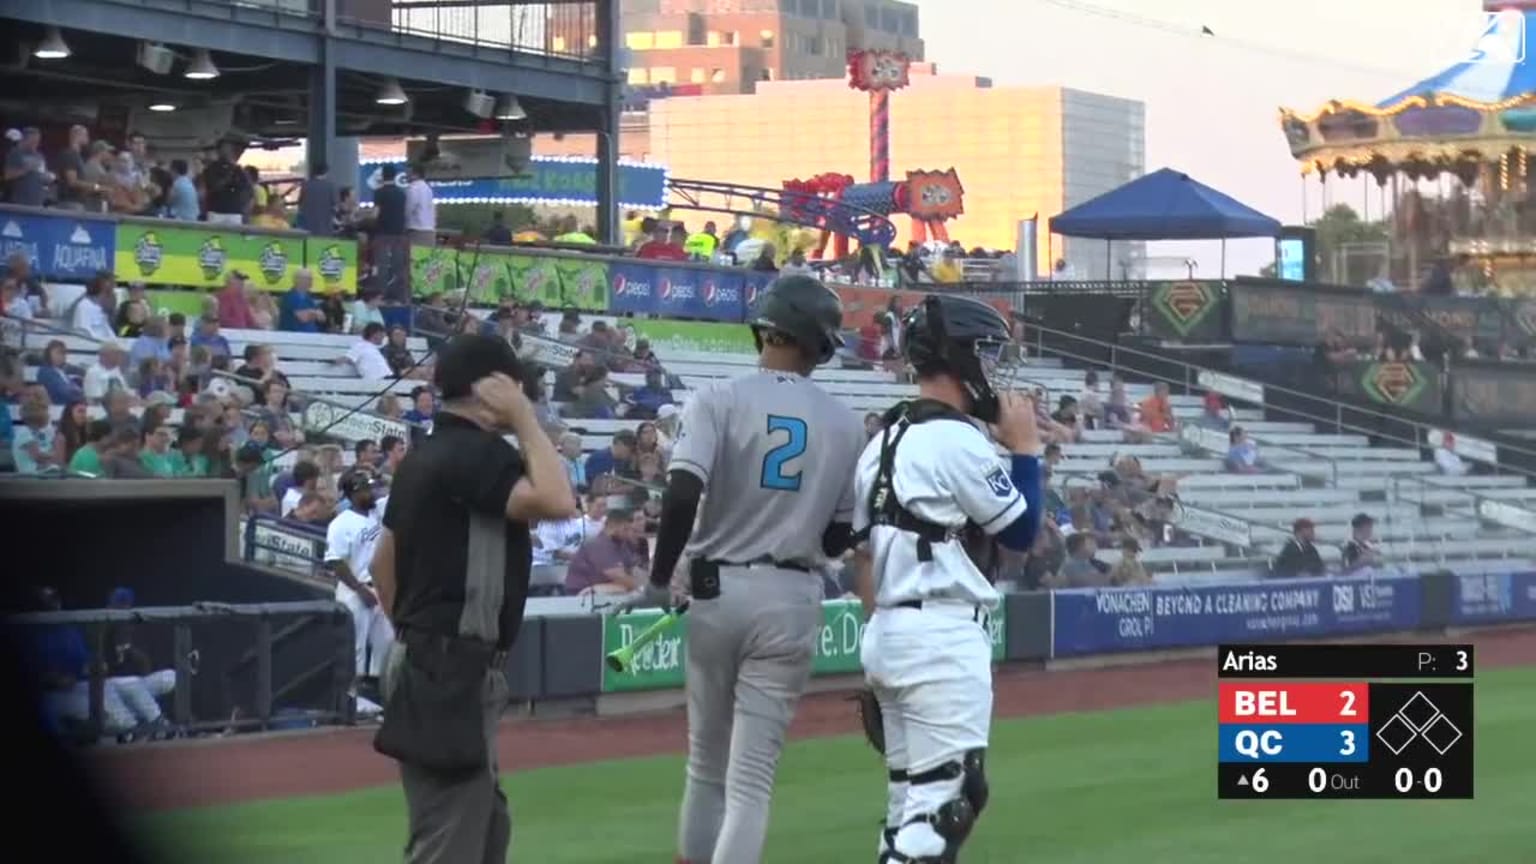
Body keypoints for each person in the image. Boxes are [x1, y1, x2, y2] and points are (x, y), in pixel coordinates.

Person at [642, 275, 866, 864]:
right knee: (750, 784)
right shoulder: (845, 421)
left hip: (716, 587)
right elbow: (842, 532)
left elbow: (684, 490)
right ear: (817, 344)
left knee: (704, 767)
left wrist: (661, 577)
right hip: (792, 591)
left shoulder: (717, 397)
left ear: (765, 327)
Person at [368, 333, 576, 864]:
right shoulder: (471, 452)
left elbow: (380, 566)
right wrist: (526, 419)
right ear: (493, 389)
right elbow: (557, 500)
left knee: (485, 829)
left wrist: (414, 638)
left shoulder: (427, 455)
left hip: (432, 657)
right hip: (449, 664)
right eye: (517, 386)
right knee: (451, 835)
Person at [852, 294, 1043, 864]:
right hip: (939, 634)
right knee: (947, 805)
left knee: (907, 808)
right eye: (986, 352)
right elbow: (1021, 530)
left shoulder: (881, 441)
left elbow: (861, 557)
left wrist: (882, 640)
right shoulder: (955, 438)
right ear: (959, 356)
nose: (993, 366)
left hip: (891, 629)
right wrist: (1027, 450)